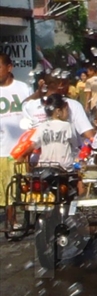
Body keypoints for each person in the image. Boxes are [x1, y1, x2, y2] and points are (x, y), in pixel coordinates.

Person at [1, 53, 35, 230]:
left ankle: (32, 221)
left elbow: (33, 116)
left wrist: (31, 146)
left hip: (23, 149)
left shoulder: (24, 89)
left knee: (25, 188)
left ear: (9, 67)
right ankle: (12, 222)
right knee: (7, 190)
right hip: (2, 150)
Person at [31, 95, 79, 170]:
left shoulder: (42, 126)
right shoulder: (67, 126)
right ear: (58, 111)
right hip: (64, 168)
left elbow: (34, 144)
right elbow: (75, 145)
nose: (68, 113)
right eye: (66, 110)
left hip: (44, 167)